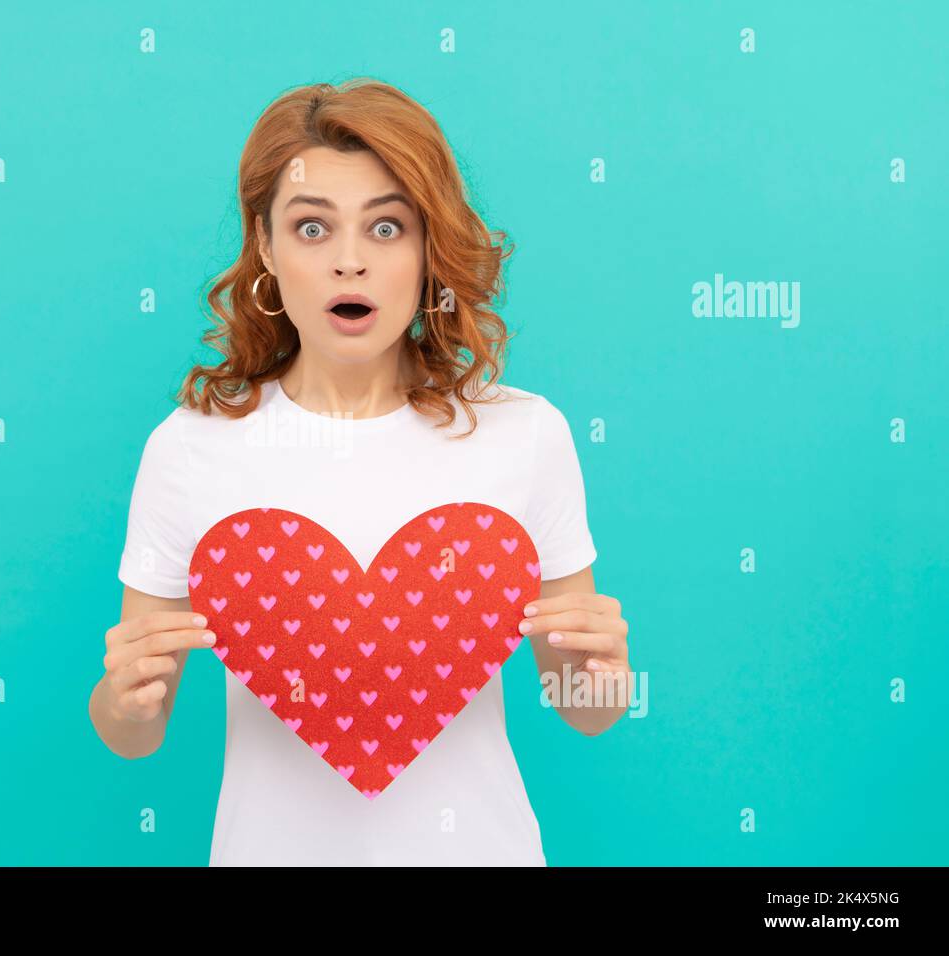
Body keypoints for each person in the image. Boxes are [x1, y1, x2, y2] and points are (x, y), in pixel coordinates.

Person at [89, 78, 631, 866]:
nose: (350, 262)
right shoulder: (192, 449)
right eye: (312, 228)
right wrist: (125, 693)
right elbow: (132, 736)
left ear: (428, 248)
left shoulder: (524, 435)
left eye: (386, 227)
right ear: (266, 248)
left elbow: (586, 712)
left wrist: (602, 674)